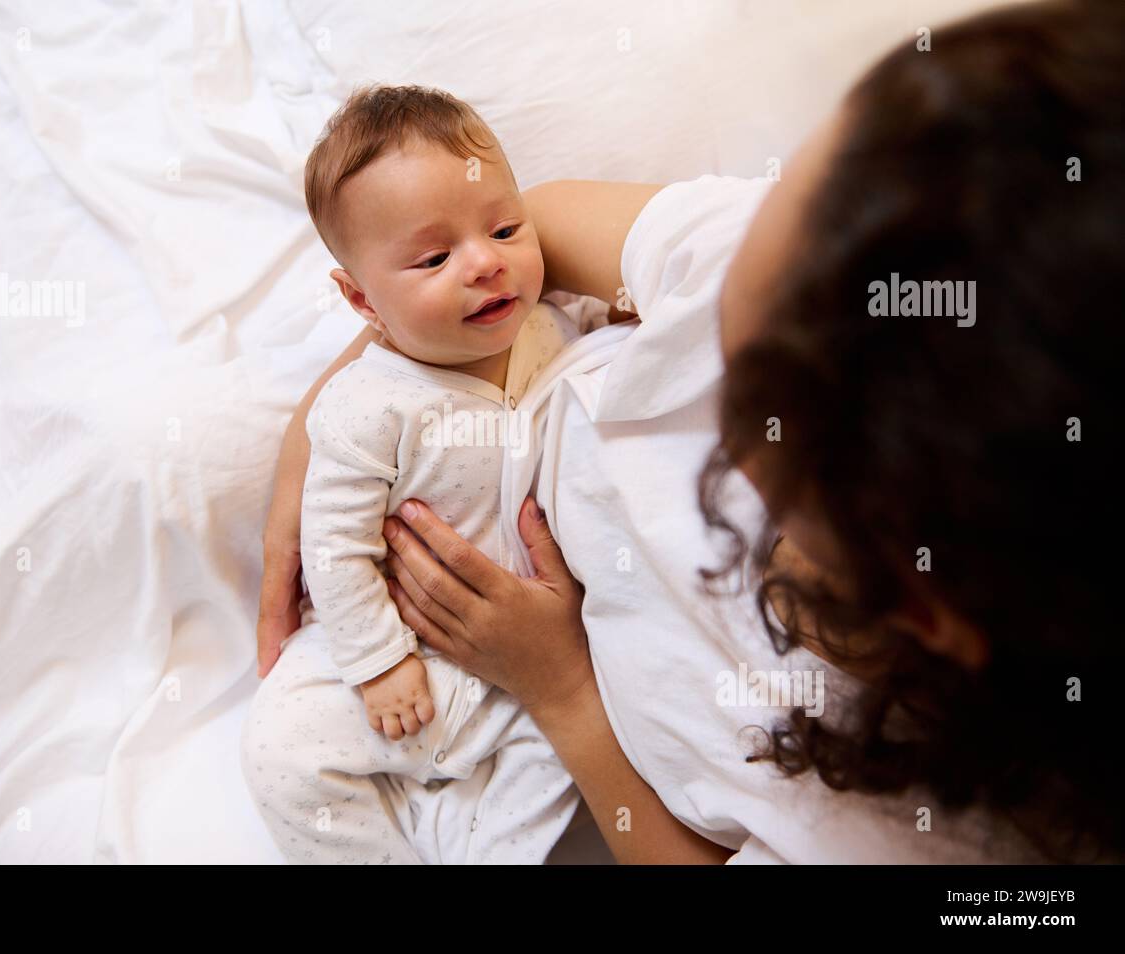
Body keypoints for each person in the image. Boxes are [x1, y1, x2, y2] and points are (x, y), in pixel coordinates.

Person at [258, 0, 1121, 863]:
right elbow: (541, 222)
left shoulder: (912, 842)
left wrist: (562, 688)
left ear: (917, 600)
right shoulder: (803, 244)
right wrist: (349, 398)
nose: (711, 276)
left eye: (749, 395)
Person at [241, 85, 590, 864]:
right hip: (400, 654)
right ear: (362, 298)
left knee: (576, 755)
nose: (486, 262)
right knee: (281, 745)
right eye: (435, 258)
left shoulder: (556, 328)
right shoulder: (369, 404)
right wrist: (379, 662)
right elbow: (332, 546)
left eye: (505, 228)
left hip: (531, 669)